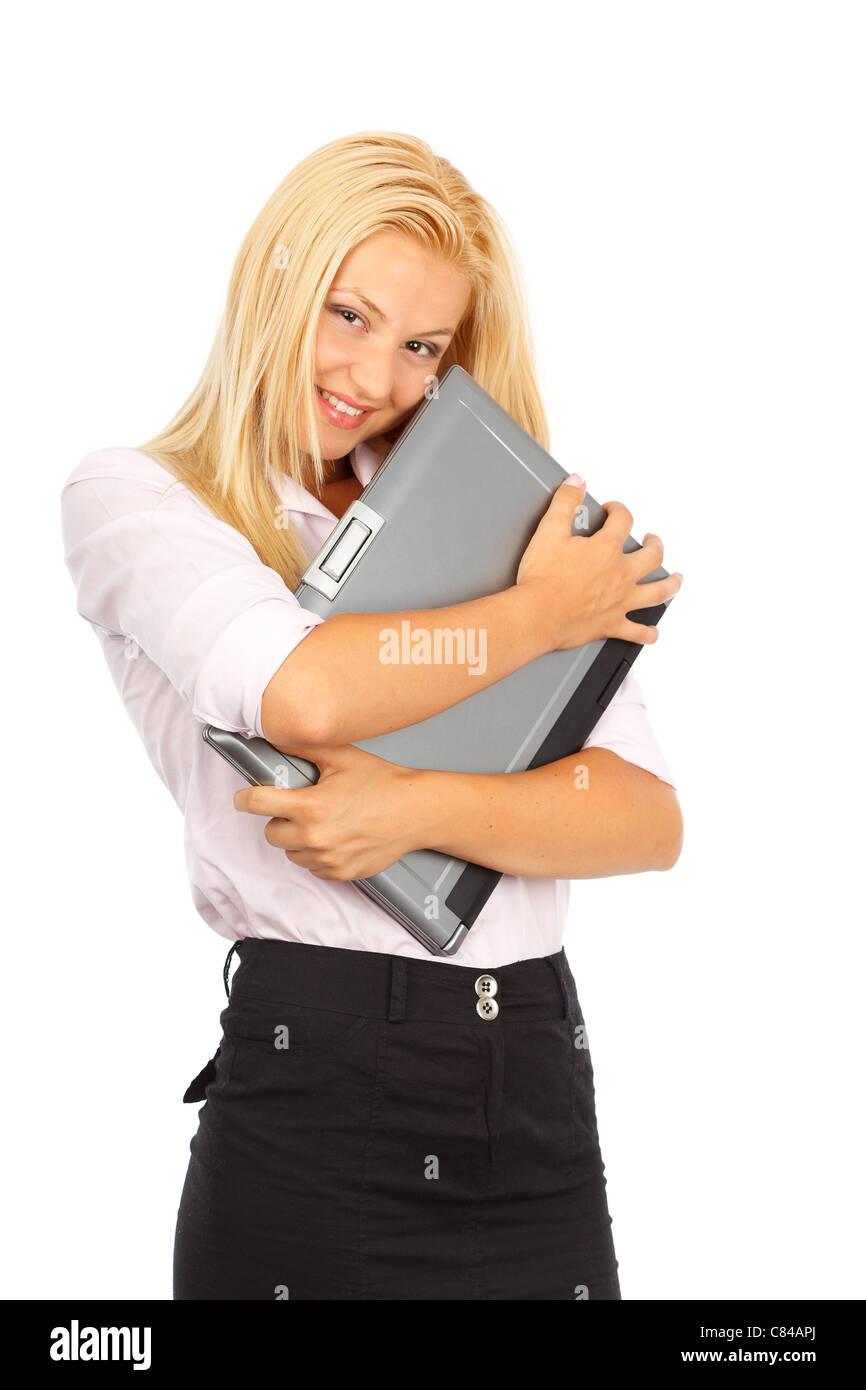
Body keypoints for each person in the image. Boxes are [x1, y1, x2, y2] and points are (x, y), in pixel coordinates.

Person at [60, 130, 684, 1301]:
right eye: (344, 314)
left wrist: (418, 806)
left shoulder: (494, 523)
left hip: (535, 1081)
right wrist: (542, 611)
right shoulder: (136, 499)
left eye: (418, 346)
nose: (370, 375)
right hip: (319, 1092)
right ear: (277, 281)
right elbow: (300, 691)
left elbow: (643, 818)